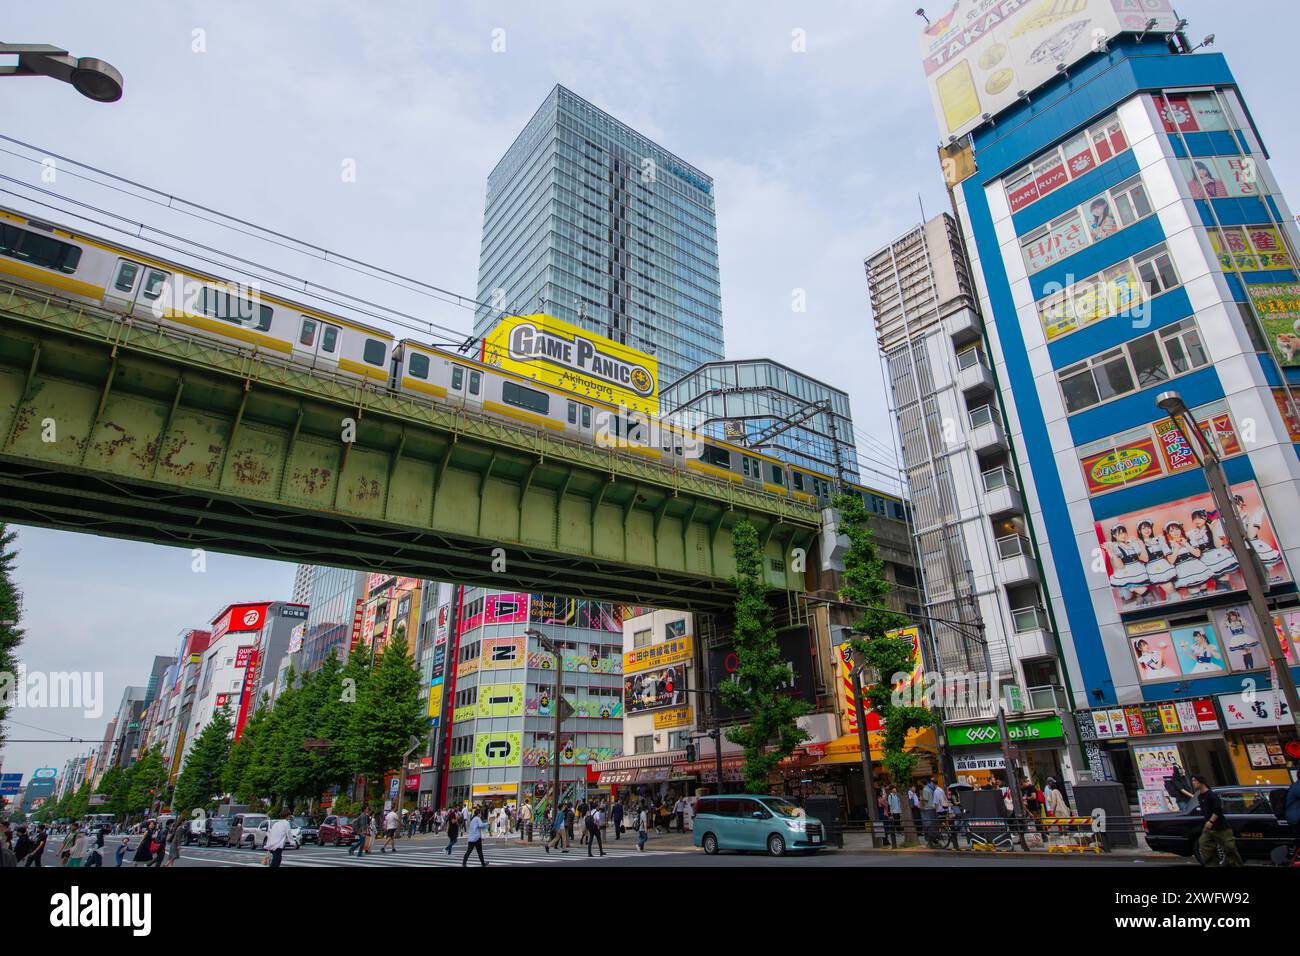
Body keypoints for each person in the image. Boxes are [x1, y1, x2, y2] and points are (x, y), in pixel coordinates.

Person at [1192, 774, 1243, 867]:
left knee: (1229, 848)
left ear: (1201, 782)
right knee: (1204, 844)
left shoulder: (1211, 795)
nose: (1193, 783)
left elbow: (1218, 809)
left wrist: (1211, 821)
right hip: (1208, 828)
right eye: (1193, 781)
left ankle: (1236, 864)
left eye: (1195, 781)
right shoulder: (1200, 797)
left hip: (1221, 827)